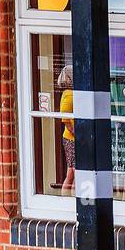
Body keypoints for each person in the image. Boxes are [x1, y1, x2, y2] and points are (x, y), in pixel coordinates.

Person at [56, 65, 76, 193]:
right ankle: (70, 200)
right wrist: (75, 132)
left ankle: (71, 199)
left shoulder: (70, 93)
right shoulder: (69, 95)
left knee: (73, 172)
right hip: (72, 139)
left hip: (72, 138)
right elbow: (65, 118)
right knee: (73, 172)